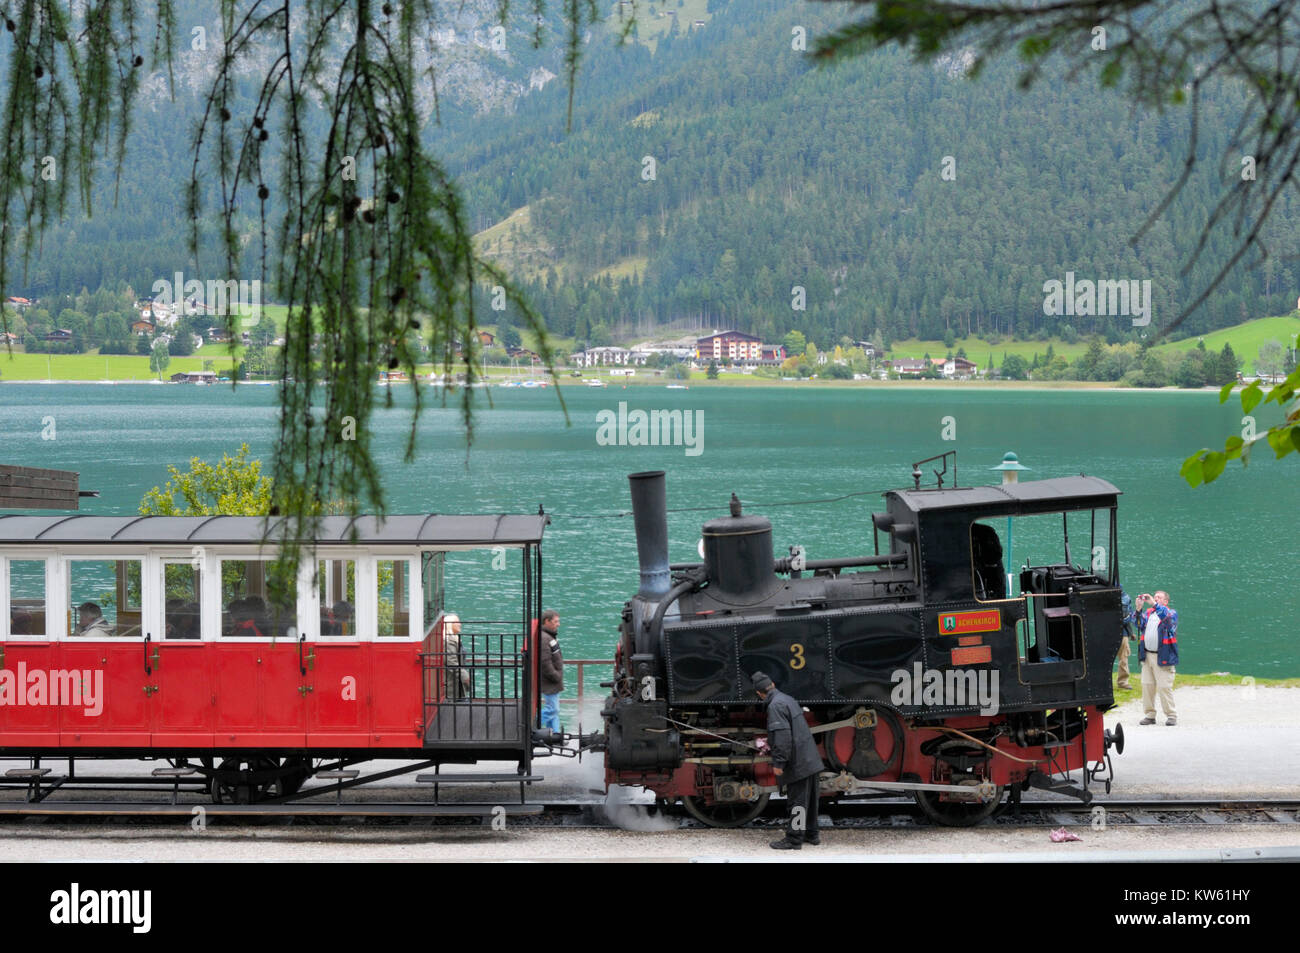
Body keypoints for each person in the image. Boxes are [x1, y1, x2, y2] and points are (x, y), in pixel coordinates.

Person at [753, 671, 825, 850]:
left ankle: (794, 839)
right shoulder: (787, 699)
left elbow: (783, 737)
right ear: (773, 686)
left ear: (759, 693)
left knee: (798, 802)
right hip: (810, 757)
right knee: (810, 800)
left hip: (798, 762)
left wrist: (779, 763)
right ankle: (812, 834)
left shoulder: (775, 706)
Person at [1132, 590, 1178, 725]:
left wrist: (1153, 604)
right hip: (1147, 655)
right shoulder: (1149, 613)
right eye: (1155, 597)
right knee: (1147, 686)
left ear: (1165, 602)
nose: (1156, 599)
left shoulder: (1171, 613)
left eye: (1159, 597)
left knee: (1164, 687)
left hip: (1163, 656)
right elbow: (1138, 624)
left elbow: (1168, 622)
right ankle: (1150, 715)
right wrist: (1139, 609)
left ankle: (1171, 715)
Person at [537, 610, 563, 734]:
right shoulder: (544, 638)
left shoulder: (548, 636)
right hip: (550, 681)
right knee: (553, 710)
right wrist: (556, 676)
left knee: (554, 711)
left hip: (552, 681)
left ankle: (554, 735)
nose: (558, 624)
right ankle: (531, 724)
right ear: (547, 621)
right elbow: (545, 662)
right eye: (555, 621)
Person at [441, 613, 471, 700]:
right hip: (452, 683)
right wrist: (465, 676)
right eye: (457, 622)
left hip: (456, 681)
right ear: (450, 624)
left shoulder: (453, 638)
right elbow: (451, 662)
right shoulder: (448, 641)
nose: (460, 624)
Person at [1116, 591, 1136, 690]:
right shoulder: (1125, 598)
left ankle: (1122, 682)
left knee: (1123, 658)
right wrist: (1131, 633)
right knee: (1123, 658)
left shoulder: (1124, 599)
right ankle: (1122, 682)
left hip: (1120, 632)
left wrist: (1131, 633)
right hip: (1122, 632)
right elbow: (1128, 618)